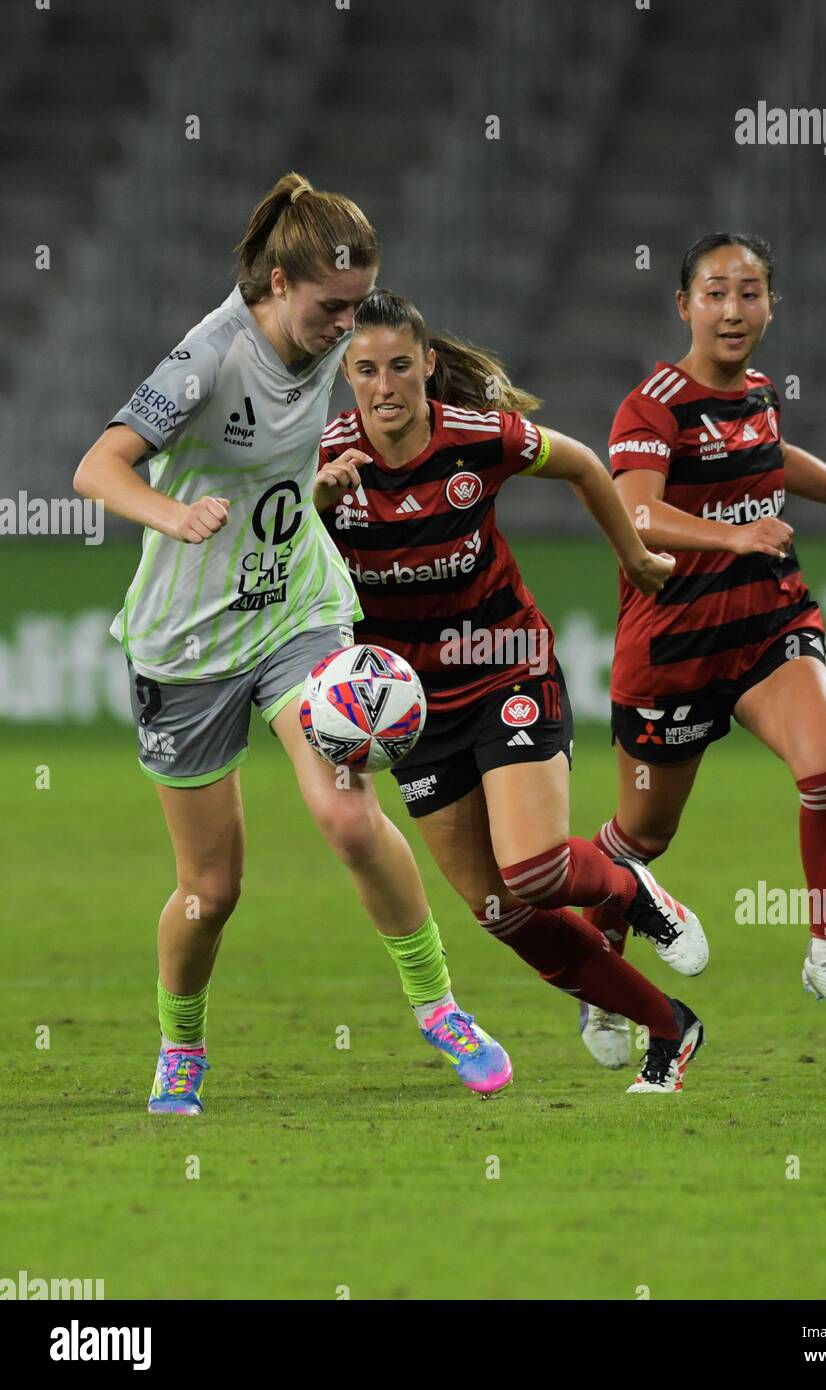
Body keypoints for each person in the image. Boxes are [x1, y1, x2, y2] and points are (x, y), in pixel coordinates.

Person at [72, 173, 512, 1115]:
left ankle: (439, 1008)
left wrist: (313, 486)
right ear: (276, 285)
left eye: (357, 308)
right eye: (331, 310)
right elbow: (96, 468)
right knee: (212, 887)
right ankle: (181, 1047)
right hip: (185, 649)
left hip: (294, 612)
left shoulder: (326, 339)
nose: (347, 330)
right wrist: (173, 513)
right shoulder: (206, 361)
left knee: (349, 817)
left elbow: (280, 453)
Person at [314, 287, 708, 1094]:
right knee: (502, 913)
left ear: (427, 365)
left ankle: (631, 889)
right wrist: (313, 508)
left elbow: (585, 465)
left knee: (532, 869)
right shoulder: (322, 465)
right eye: (364, 371)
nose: (383, 386)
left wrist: (632, 556)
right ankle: (670, 1027)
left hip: (505, 667)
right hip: (411, 710)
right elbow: (278, 555)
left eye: (398, 366)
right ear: (344, 375)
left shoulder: (478, 437)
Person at [579, 231, 826, 1061]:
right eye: (715, 292)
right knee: (639, 839)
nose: (733, 309)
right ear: (684, 305)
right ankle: (601, 977)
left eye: (749, 292)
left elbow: (773, 458)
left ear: (770, 304)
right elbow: (634, 514)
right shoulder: (652, 405)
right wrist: (729, 538)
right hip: (671, 652)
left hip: (768, 627)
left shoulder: (760, 394)